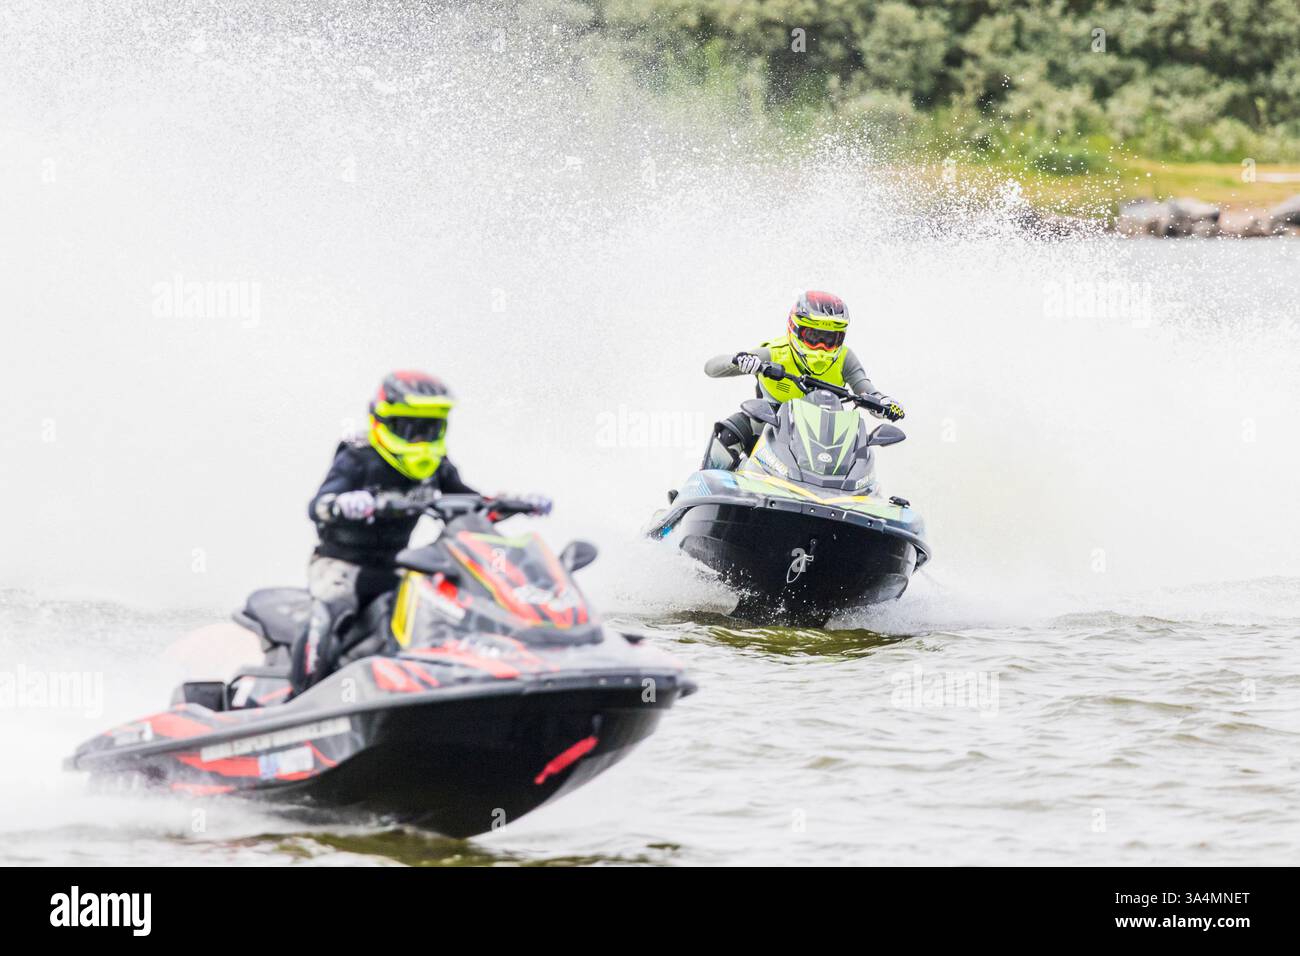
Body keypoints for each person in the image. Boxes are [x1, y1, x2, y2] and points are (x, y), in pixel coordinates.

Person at [290, 370, 550, 693]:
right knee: (332, 609)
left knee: (446, 602)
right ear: (385, 423)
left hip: (398, 567)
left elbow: (469, 501)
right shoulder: (357, 457)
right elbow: (318, 505)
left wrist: (514, 503)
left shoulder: (437, 466)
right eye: (412, 429)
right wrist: (345, 503)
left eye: (430, 429)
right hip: (341, 567)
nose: (421, 440)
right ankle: (300, 696)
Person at [701, 290, 905, 467]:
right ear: (795, 329)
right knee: (730, 432)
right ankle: (700, 489)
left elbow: (866, 390)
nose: (822, 347)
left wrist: (883, 403)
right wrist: (739, 360)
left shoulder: (845, 358)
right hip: (771, 424)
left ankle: (855, 492)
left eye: (830, 339)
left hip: (826, 435)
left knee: (859, 451)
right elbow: (710, 368)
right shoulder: (773, 353)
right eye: (814, 337)